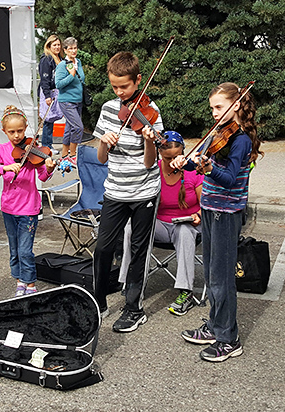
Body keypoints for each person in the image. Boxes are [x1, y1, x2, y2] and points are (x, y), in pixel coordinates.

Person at [176, 82, 262, 362]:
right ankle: (215, 326)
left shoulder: (241, 141)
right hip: (210, 209)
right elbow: (194, 163)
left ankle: (229, 338)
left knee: (223, 279)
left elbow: (227, 179)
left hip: (226, 213)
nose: (214, 113)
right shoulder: (216, 136)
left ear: (236, 105)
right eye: (212, 108)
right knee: (212, 274)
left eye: (219, 107)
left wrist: (210, 168)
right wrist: (182, 161)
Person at [93, 51, 162, 333]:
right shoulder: (109, 109)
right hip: (115, 190)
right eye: (114, 87)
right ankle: (99, 302)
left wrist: (148, 141)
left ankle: (134, 308)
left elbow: (149, 162)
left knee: (138, 249)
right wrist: (105, 143)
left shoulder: (151, 112)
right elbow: (100, 159)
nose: (120, 93)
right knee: (102, 248)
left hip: (144, 190)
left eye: (125, 86)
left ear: (138, 81)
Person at [118, 131, 203, 316]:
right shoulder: (153, 170)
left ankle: (185, 291)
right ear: (159, 154)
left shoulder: (192, 171)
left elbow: (205, 204)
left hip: (190, 223)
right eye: (167, 157)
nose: (172, 161)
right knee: (131, 227)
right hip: (162, 224)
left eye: (176, 156)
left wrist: (198, 214)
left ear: (183, 153)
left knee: (184, 231)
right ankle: (130, 281)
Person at [0, 106, 57, 296]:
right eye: (11, 132)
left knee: (25, 250)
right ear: (4, 131)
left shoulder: (34, 151)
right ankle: (19, 281)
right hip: (8, 207)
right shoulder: (1, 150)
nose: (16, 136)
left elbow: (42, 176)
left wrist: (49, 168)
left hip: (29, 208)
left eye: (20, 131)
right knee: (14, 248)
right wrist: (6, 168)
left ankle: (31, 283)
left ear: (26, 128)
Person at [54, 37, 85, 165]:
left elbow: (81, 79)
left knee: (70, 128)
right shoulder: (62, 65)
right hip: (66, 101)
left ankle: (64, 155)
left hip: (78, 100)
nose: (73, 51)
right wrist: (71, 75)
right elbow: (58, 84)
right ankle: (73, 155)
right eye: (70, 48)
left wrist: (76, 75)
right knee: (78, 127)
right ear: (65, 50)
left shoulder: (78, 62)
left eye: (75, 48)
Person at [38, 34, 63, 152]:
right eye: (55, 45)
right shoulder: (46, 60)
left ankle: (49, 144)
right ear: (49, 46)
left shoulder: (60, 59)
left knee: (52, 118)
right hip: (48, 92)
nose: (57, 47)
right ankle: (46, 146)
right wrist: (47, 96)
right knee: (47, 119)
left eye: (58, 45)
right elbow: (45, 79)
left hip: (57, 92)